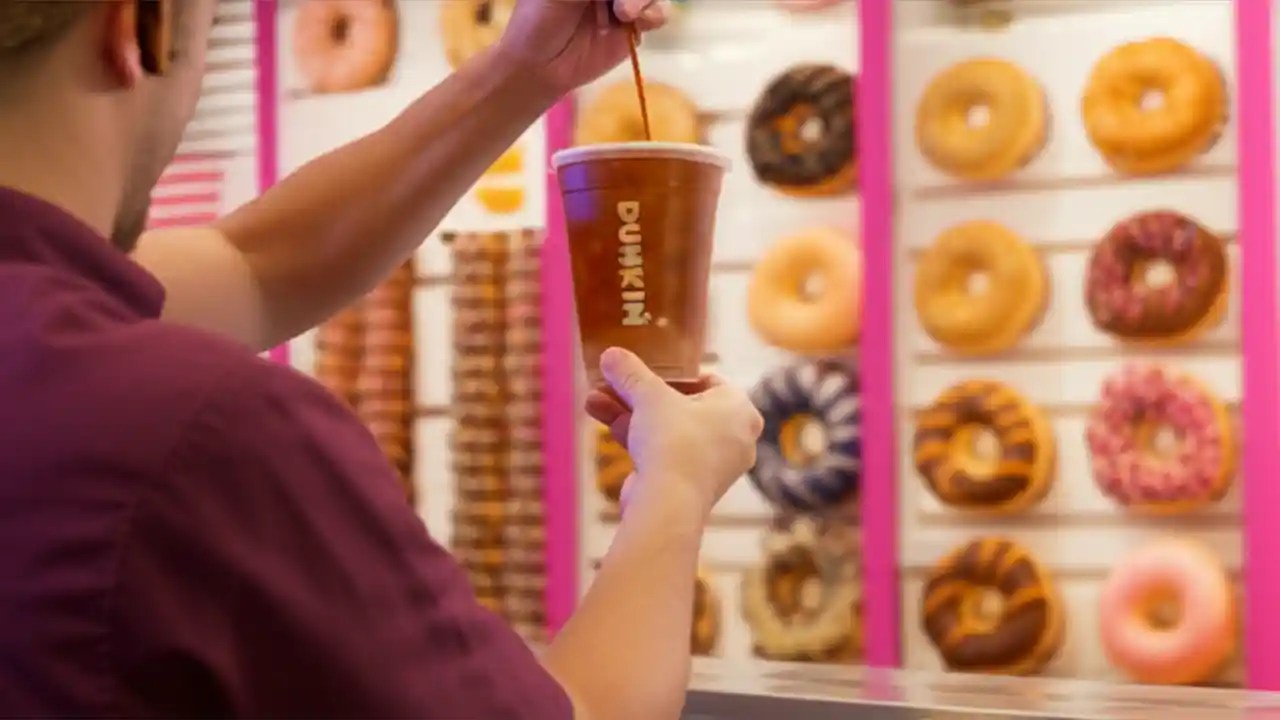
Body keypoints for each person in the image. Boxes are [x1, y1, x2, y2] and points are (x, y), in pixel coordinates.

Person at [0, 0, 764, 717]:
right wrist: (675, 484)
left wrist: (525, 71)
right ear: (142, 25)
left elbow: (258, 267)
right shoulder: (203, 432)